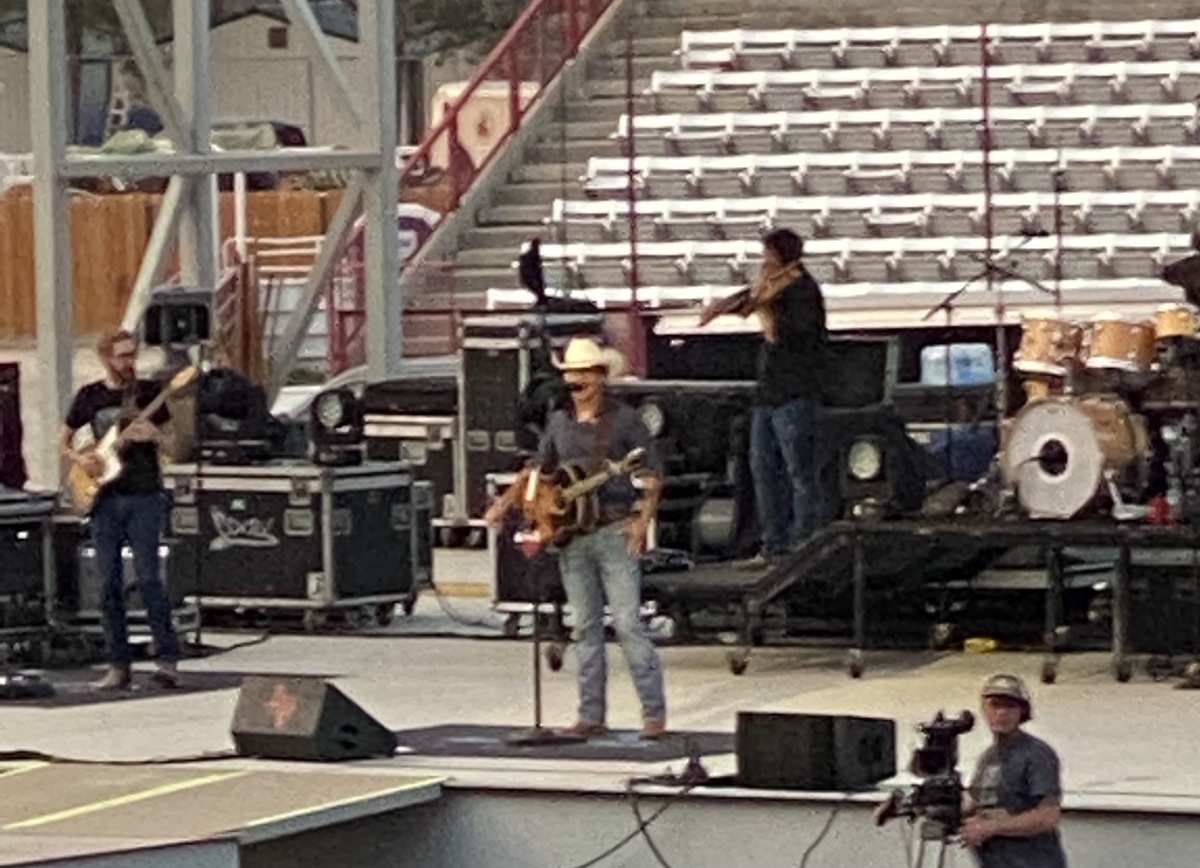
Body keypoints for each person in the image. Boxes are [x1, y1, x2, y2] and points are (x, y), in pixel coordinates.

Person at [485, 336, 667, 740]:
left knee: (628, 625)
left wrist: (641, 522)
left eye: (584, 373)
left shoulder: (624, 421)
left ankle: (653, 715)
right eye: (571, 375)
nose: (577, 381)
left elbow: (652, 475)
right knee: (584, 627)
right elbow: (538, 468)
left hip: (615, 531)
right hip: (573, 537)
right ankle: (591, 715)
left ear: (601, 376)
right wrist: (506, 504)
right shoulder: (559, 421)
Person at [59, 329, 182, 691]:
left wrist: (155, 438)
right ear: (106, 358)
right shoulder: (90, 397)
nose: (129, 361)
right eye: (122, 355)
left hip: (144, 496)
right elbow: (63, 440)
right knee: (108, 583)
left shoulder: (148, 395)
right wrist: (82, 458)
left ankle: (167, 658)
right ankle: (118, 663)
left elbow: (176, 447)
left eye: (132, 354)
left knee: (148, 579)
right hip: (104, 499)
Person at [700, 228, 828, 568]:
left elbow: (796, 334)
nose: (764, 263)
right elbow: (750, 297)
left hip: (795, 392)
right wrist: (723, 307)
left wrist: (768, 311)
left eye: (768, 255)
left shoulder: (802, 290)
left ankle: (804, 544)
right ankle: (774, 544)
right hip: (768, 394)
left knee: (799, 473)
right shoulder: (773, 287)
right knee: (763, 470)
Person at [961, 674, 1068, 868]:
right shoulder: (988, 758)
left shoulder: (1036, 754)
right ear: (984, 709)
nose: (1001, 713)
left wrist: (992, 828)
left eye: (1009, 707)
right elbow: (977, 804)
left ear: (1022, 712)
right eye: (994, 705)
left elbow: (1047, 816)